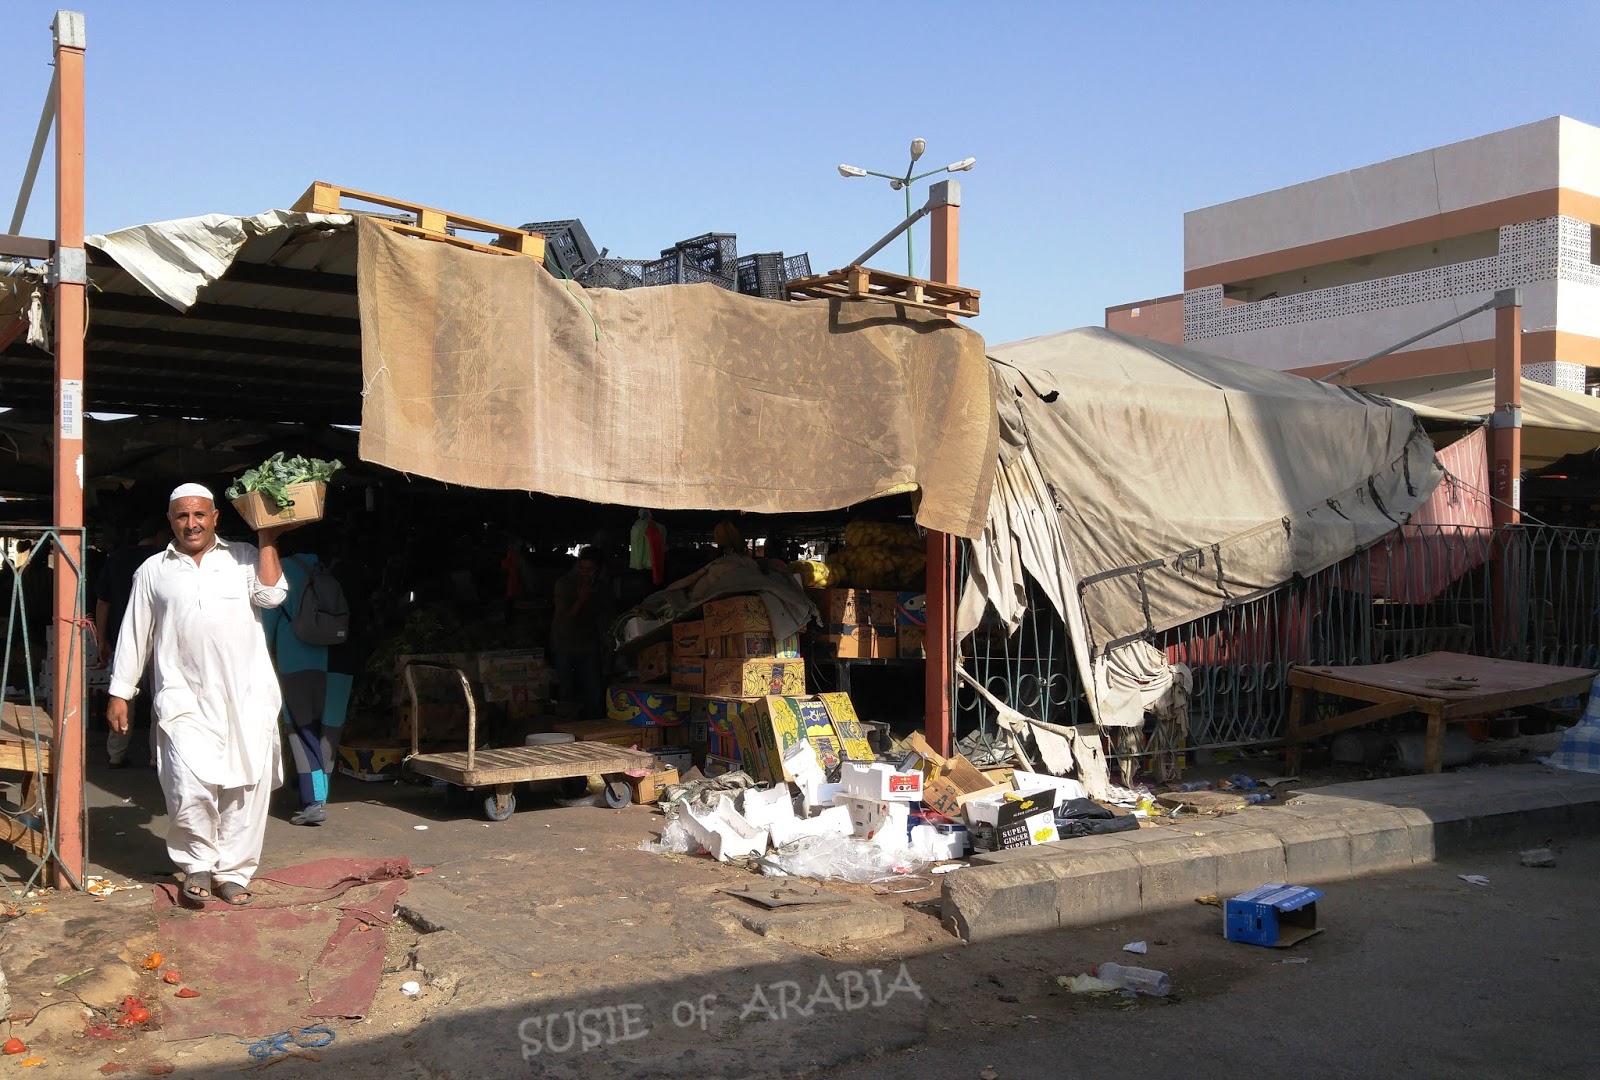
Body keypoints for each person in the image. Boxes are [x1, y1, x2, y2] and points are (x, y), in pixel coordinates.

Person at [106, 484, 290, 907]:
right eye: (182, 516)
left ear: (215, 517)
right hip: (182, 696)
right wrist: (120, 692)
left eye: (199, 515)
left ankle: (234, 873)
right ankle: (197, 864)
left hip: (246, 695)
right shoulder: (153, 570)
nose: (191, 524)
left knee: (246, 787)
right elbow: (135, 634)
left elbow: (271, 595)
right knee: (187, 784)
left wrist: (267, 536)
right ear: (170, 521)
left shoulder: (243, 556)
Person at [261, 531, 352, 827]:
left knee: (302, 730)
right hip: (339, 659)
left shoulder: (282, 570)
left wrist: (263, 657)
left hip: (297, 660)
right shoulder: (335, 568)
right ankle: (319, 790)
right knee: (329, 730)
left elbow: (268, 621)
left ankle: (314, 800)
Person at [95, 515, 167, 768]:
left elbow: (103, 602)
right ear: (160, 535)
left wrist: (102, 638)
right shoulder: (164, 560)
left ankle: (116, 753)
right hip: (161, 639)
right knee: (161, 697)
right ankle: (157, 755)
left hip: (124, 638)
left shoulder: (115, 560)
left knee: (122, 693)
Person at [549, 547, 613, 719]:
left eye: (590, 570)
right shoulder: (564, 584)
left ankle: (592, 726)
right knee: (566, 691)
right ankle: (567, 727)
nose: (585, 574)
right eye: (582, 569)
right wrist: (582, 598)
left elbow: (605, 617)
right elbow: (567, 617)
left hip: (589, 643)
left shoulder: (602, 587)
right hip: (564, 642)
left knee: (593, 690)